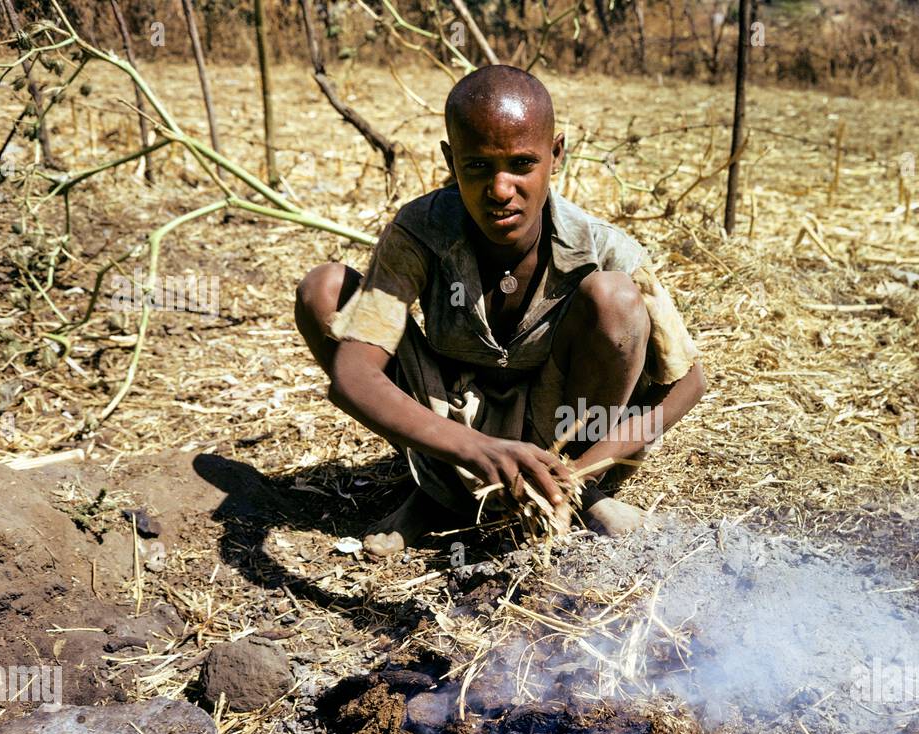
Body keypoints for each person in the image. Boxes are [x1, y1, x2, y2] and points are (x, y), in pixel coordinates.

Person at [293, 65, 705, 555]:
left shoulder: (600, 247)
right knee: (326, 289)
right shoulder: (421, 232)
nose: (501, 189)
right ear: (451, 160)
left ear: (556, 155)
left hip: (564, 426)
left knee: (613, 299)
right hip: (450, 410)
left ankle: (572, 495)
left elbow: (688, 382)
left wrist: (580, 468)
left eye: (522, 164)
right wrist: (476, 449)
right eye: (478, 167)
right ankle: (436, 491)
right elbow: (355, 375)